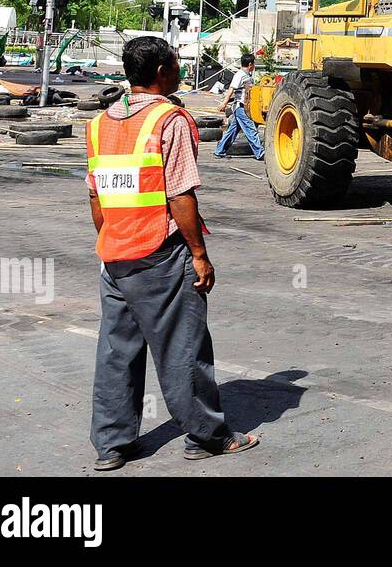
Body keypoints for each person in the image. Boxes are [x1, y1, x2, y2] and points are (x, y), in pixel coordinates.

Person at [86, 36, 257, 470]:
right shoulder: (171, 120)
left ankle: (112, 445)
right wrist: (199, 253)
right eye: (177, 64)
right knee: (182, 348)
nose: (180, 70)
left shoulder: (101, 122)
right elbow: (180, 195)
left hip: (116, 255)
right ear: (162, 72)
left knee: (115, 352)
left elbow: (96, 196)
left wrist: (110, 241)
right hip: (161, 253)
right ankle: (206, 436)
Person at [215, 52, 265, 159]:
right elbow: (231, 89)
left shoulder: (247, 76)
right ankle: (260, 153)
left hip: (245, 107)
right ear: (250, 64)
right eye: (254, 64)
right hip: (241, 108)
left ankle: (219, 151)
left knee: (232, 131)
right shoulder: (239, 75)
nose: (254, 66)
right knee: (251, 130)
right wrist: (224, 103)